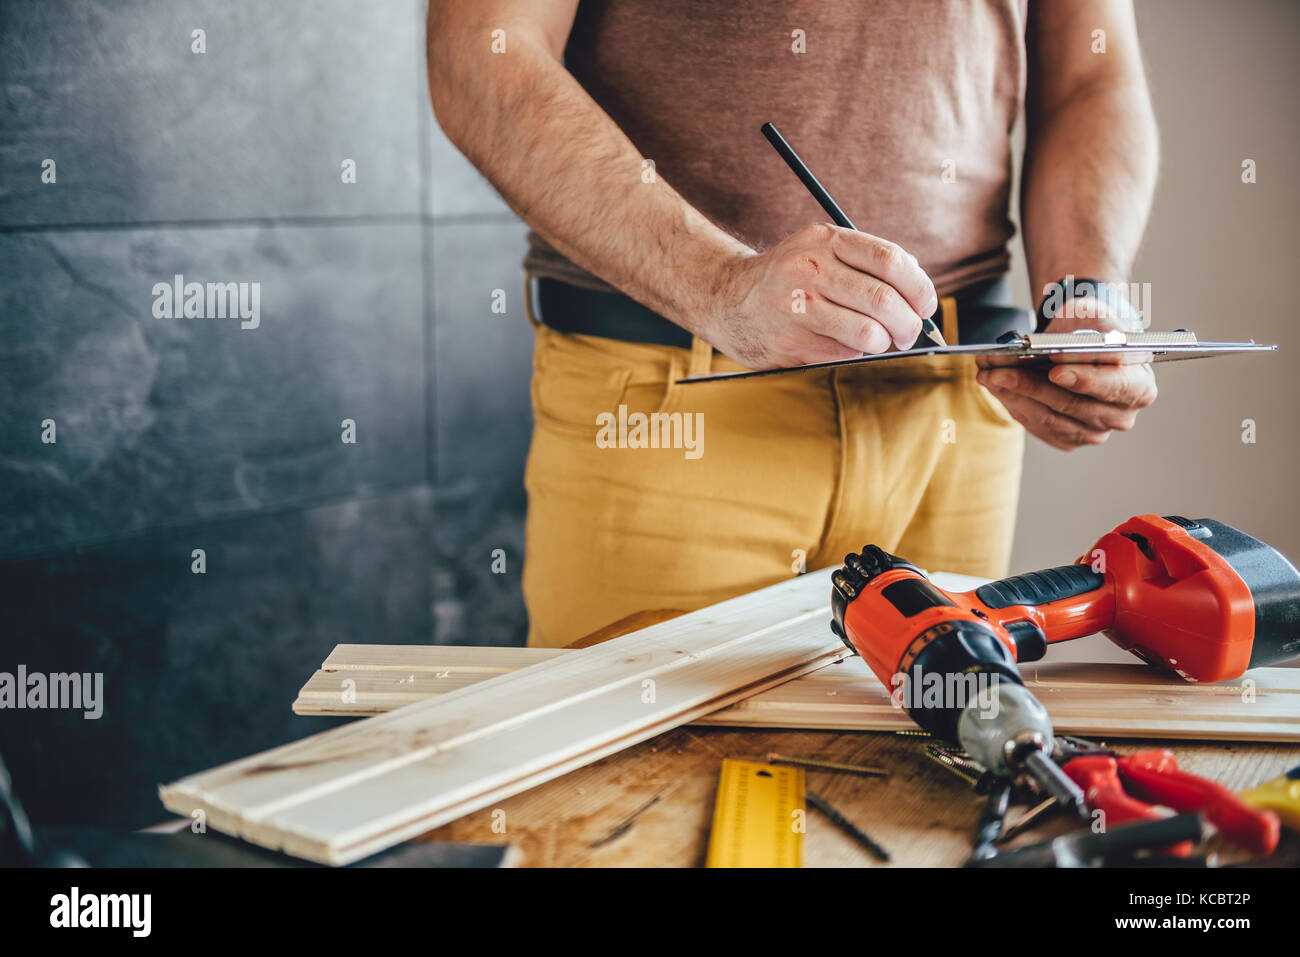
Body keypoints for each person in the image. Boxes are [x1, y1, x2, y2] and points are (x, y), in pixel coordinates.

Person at [427, 1, 1160, 648]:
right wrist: (718, 285)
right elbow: (484, 51)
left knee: (943, 774)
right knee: (628, 793)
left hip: (952, 403)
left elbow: (1091, 77)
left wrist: (1083, 295)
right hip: (673, 399)